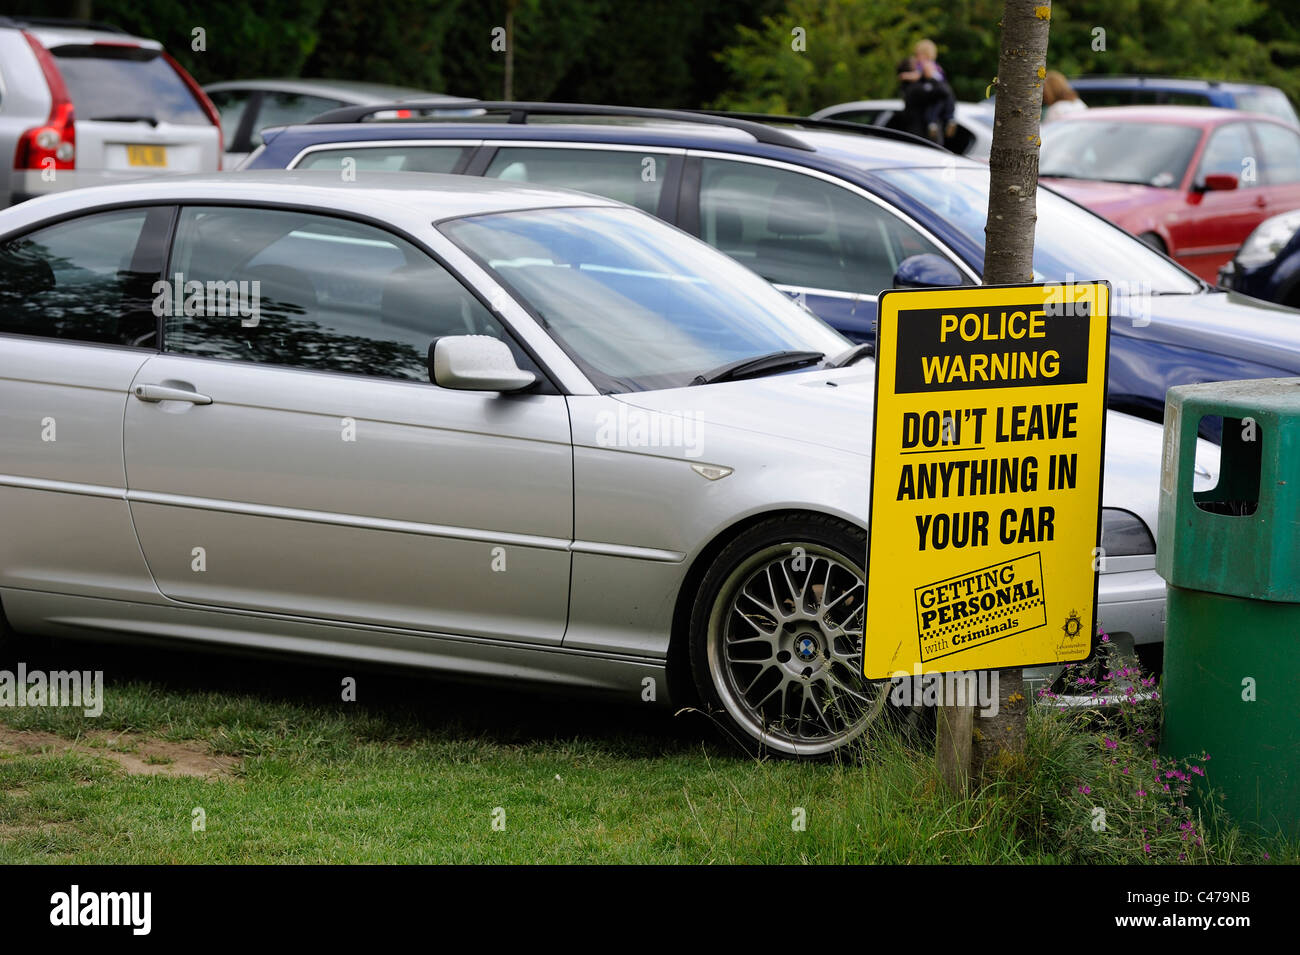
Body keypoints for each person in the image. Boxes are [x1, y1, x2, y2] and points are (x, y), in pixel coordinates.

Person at [897, 39, 957, 145]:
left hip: (927, 139)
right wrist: (929, 78)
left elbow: (944, 91)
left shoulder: (931, 73)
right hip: (920, 137)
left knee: (945, 100)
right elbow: (943, 91)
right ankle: (945, 119)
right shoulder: (914, 88)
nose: (916, 60)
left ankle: (948, 118)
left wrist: (930, 78)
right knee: (943, 99)